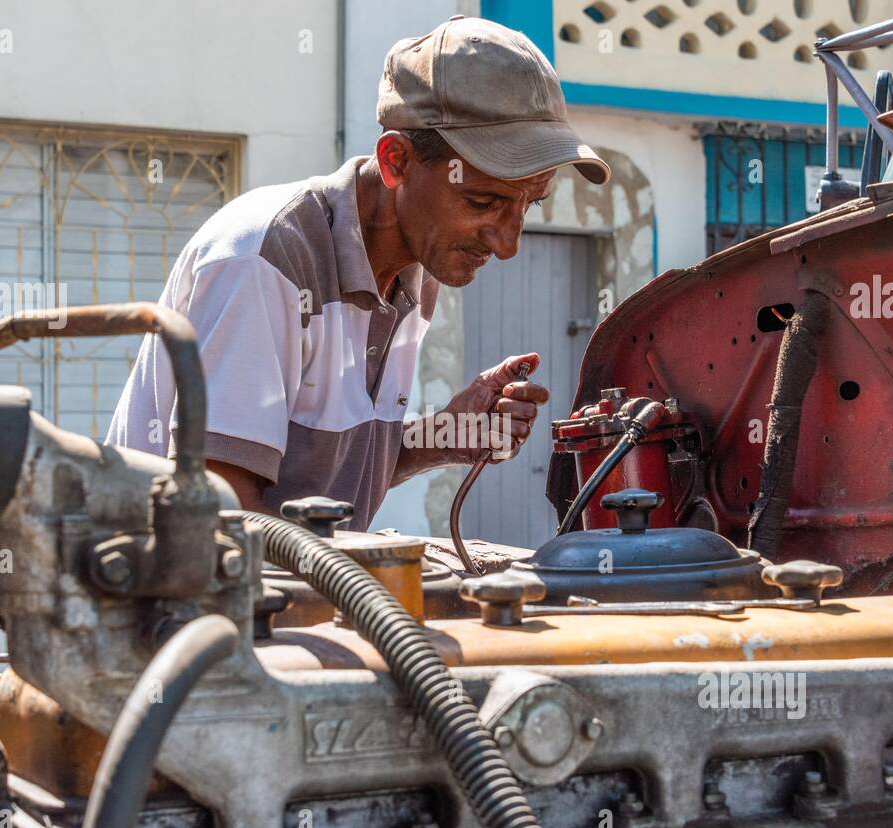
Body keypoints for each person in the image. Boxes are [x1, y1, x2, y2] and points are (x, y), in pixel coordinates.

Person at [106, 15, 610, 530]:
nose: (507, 244)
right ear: (396, 161)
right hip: (176, 602)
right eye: (482, 200)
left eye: (530, 204)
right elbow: (219, 515)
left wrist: (444, 435)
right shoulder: (264, 260)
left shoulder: (417, 273)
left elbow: (326, 476)